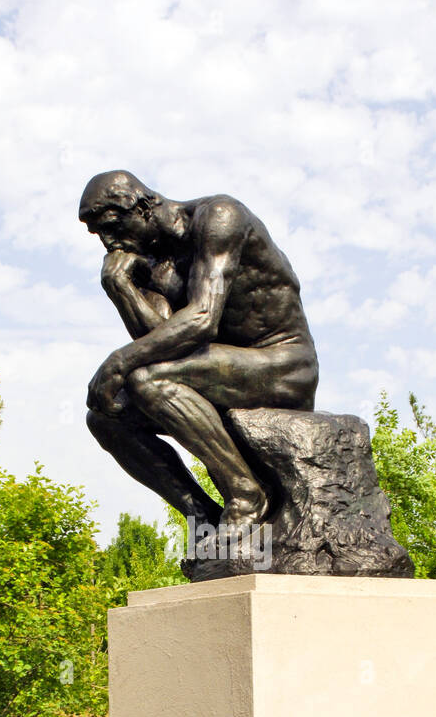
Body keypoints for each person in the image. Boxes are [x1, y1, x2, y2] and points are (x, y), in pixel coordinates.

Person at [80, 170, 318, 525]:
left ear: (143, 208)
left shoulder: (219, 217)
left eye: (112, 227)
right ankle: (202, 518)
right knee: (105, 418)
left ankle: (247, 495)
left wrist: (117, 363)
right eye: (98, 234)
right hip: (216, 371)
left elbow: (203, 319)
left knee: (148, 379)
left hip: (283, 363)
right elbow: (160, 339)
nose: (109, 243)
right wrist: (120, 288)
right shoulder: (150, 265)